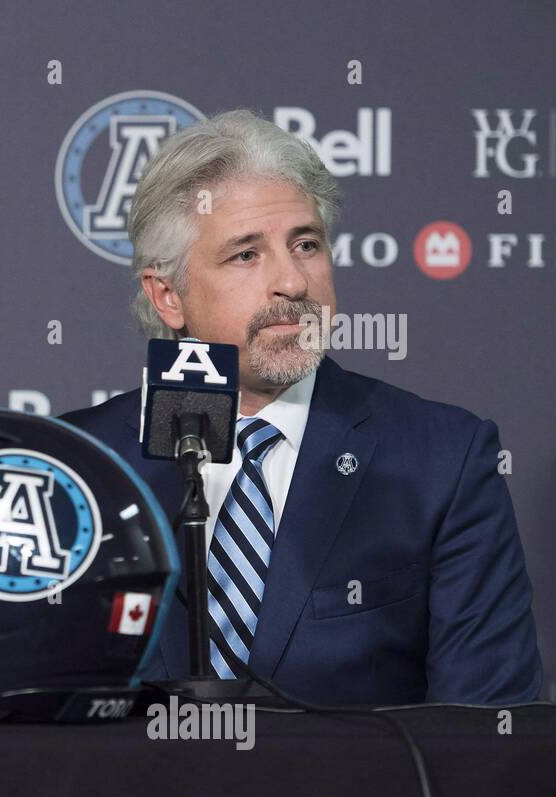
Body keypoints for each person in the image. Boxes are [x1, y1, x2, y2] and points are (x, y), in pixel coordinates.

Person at [61, 110, 541, 706]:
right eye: (246, 255)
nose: (292, 282)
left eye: (306, 245)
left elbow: (491, 734)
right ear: (168, 295)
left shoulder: (443, 460)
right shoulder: (75, 465)